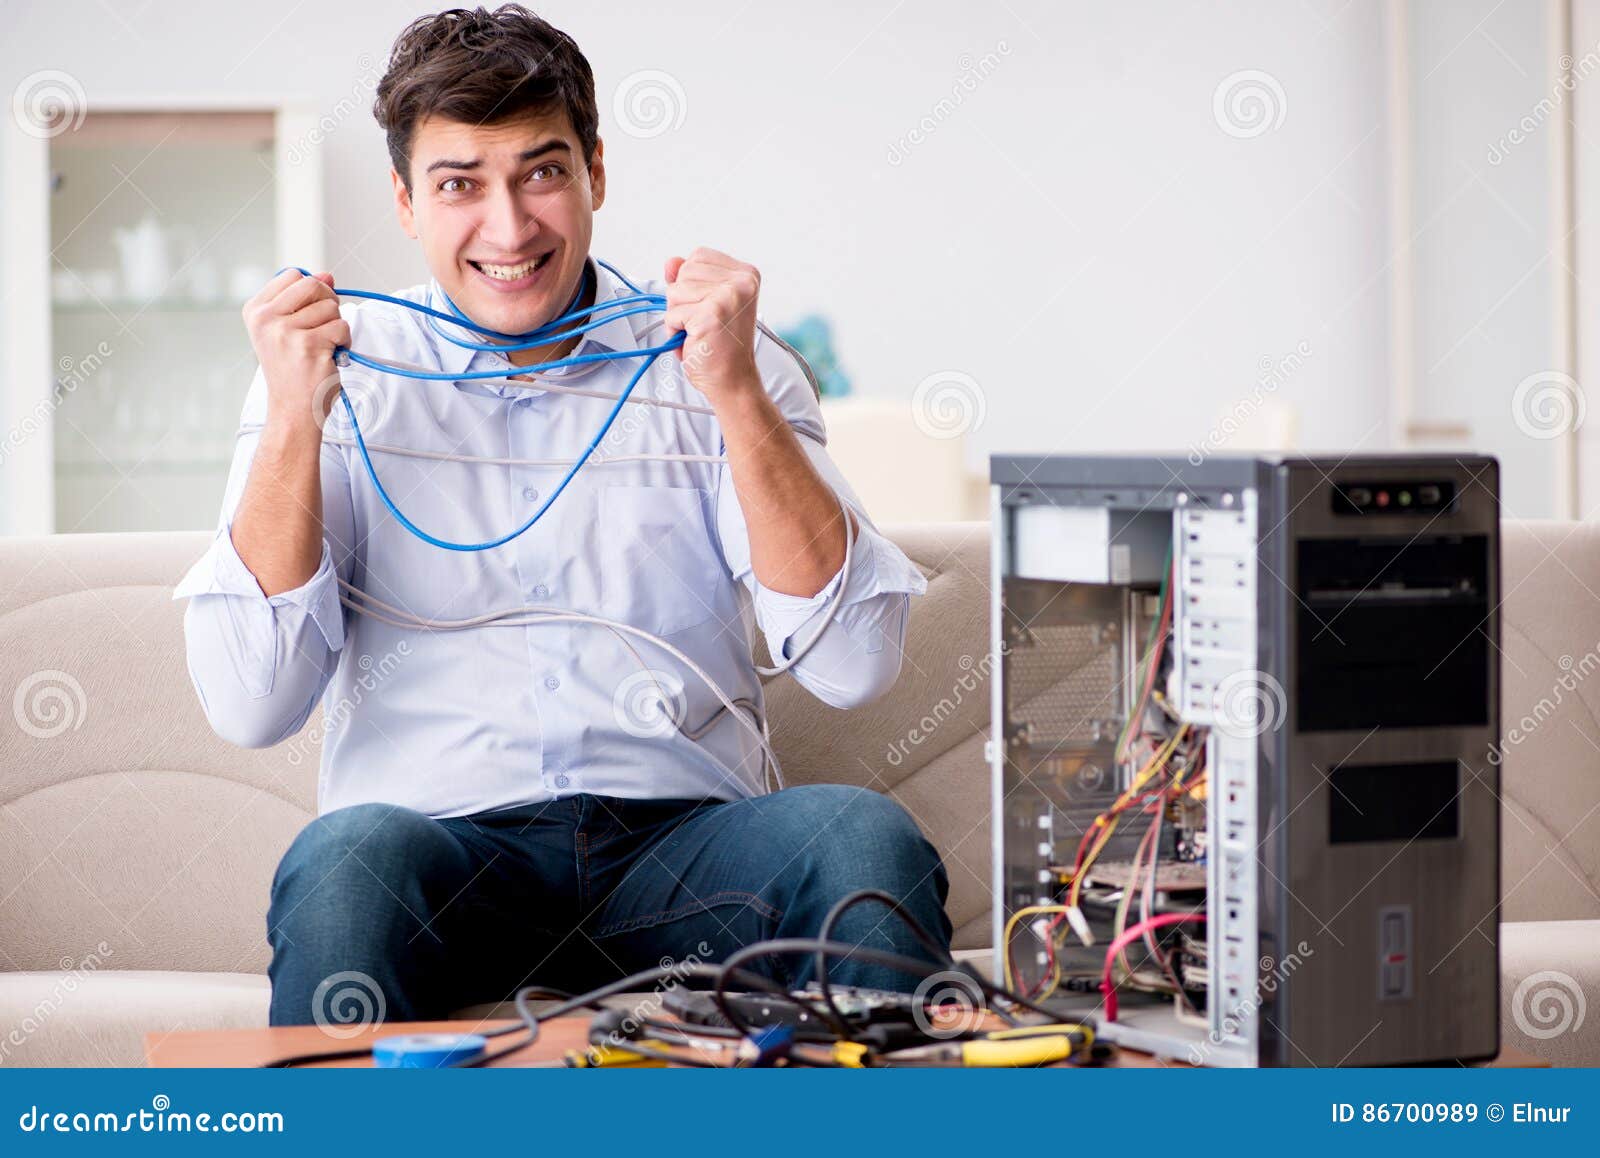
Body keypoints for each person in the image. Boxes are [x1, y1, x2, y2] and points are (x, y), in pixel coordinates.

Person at [174, 4, 950, 1026]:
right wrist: (290, 420)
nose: (508, 228)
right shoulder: (333, 382)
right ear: (406, 204)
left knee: (860, 839)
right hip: (443, 860)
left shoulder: (725, 361)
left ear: (594, 172)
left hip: (683, 860)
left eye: (540, 173)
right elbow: (250, 704)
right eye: (460, 185)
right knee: (345, 860)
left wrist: (736, 397)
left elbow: (852, 667)